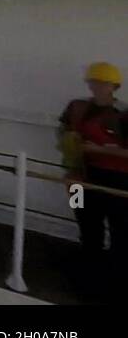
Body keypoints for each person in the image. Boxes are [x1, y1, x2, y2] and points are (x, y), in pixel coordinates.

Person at [59, 62, 128, 279]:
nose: (97, 86)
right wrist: (69, 145)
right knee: (86, 223)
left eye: (103, 83)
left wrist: (98, 149)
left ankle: (117, 276)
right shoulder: (76, 108)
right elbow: (63, 131)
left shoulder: (123, 114)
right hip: (79, 175)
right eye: (94, 82)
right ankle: (88, 272)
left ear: (114, 86)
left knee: (121, 230)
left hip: (119, 181)